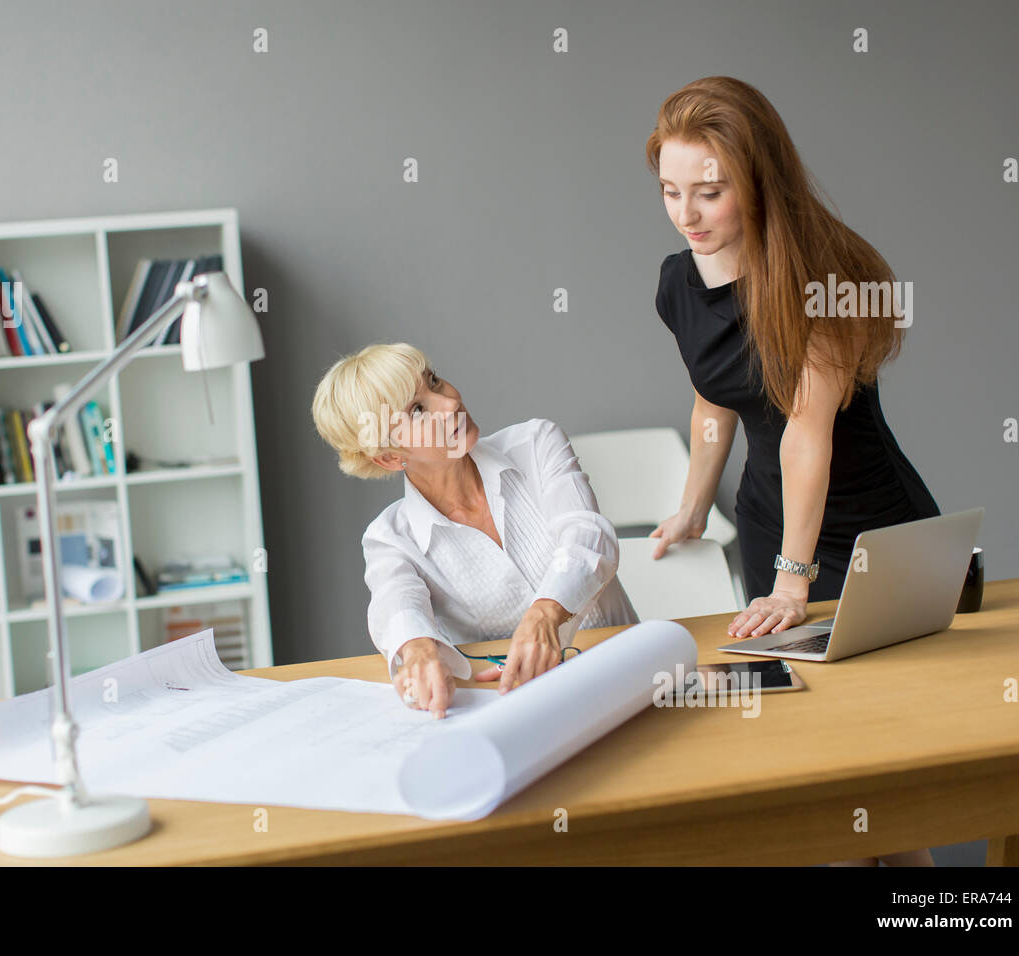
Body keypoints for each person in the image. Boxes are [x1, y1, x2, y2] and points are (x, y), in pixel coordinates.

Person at [646, 76, 940, 867]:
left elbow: (809, 435)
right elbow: (715, 398)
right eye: (672, 191)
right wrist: (691, 505)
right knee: (818, 763)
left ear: (758, 182)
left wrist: (792, 581)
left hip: (873, 533)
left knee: (883, 765)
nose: (687, 213)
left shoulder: (825, 280)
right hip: (774, 525)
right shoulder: (680, 281)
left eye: (710, 191)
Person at [311, 343, 638, 719]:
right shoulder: (390, 538)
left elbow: (588, 537)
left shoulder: (535, 443)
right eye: (417, 410)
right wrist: (415, 649)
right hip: (524, 714)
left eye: (433, 381)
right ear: (389, 456)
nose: (449, 402)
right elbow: (395, 602)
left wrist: (545, 612)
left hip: (633, 680)